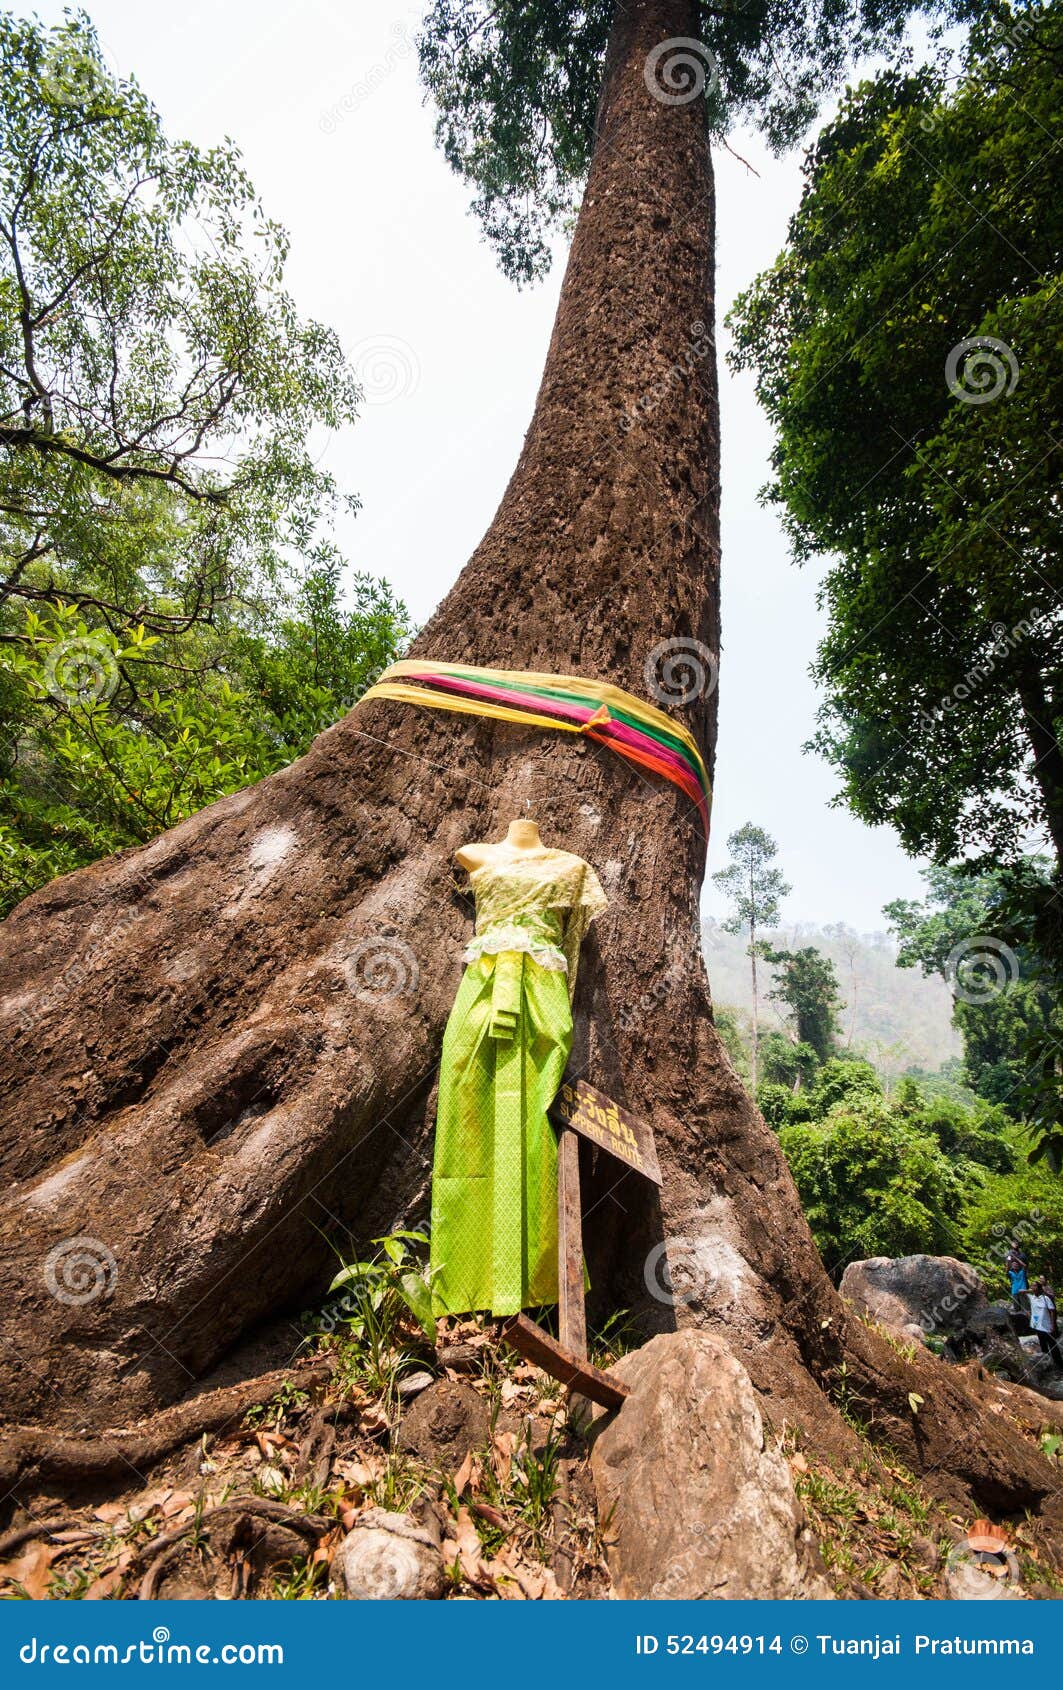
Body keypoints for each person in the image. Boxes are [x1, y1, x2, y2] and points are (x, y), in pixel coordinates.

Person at [1028, 1280, 1063, 1368]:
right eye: (1032, 1286)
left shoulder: (1045, 1298)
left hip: (1047, 1326)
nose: (1033, 1288)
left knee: (1052, 1345)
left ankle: (1059, 1364)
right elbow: (1022, 1292)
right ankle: (1048, 1363)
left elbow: (1052, 1311)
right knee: (1043, 1345)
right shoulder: (1032, 1298)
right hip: (1037, 1326)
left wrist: (1052, 1325)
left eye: (1035, 1286)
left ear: (1039, 1288)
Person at [1005, 1240, 1029, 1306]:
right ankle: (1017, 1308)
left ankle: (1025, 1308)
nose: (1015, 1244)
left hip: (1022, 1274)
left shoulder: (1022, 1254)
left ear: (1018, 1245)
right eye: (1013, 1243)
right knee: (1015, 1292)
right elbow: (1007, 1264)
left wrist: (1027, 1272)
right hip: (1012, 1274)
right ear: (1011, 1245)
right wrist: (1008, 1272)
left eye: (1016, 1243)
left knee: (1023, 1294)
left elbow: (1026, 1264)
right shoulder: (1009, 1254)